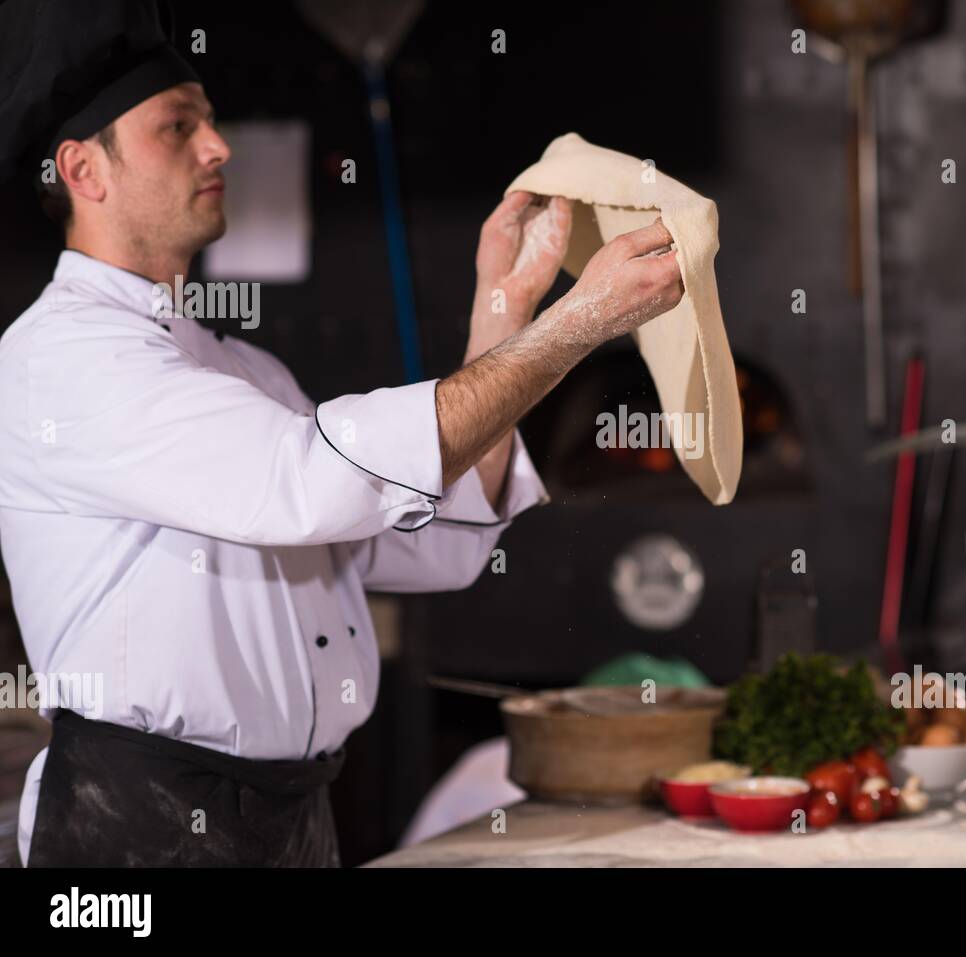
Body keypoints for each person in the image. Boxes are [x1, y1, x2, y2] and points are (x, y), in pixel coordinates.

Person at [0, 0, 684, 866]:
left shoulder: (241, 370)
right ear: (83, 171)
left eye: (210, 119)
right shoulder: (59, 358)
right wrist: (577, 326)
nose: (219, 146)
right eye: (179, 126)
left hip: (294, 818)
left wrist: (506, 308)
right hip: (133, 827)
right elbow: (309, 480)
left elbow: (438, 544)